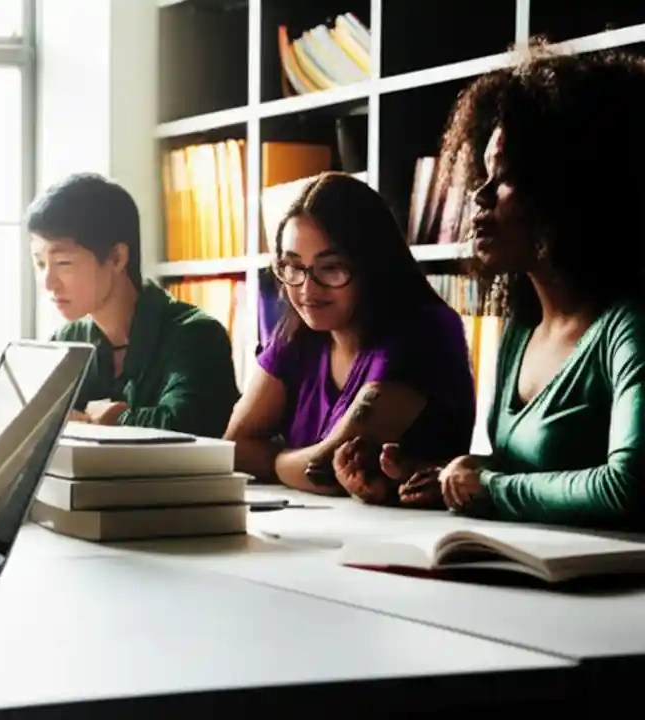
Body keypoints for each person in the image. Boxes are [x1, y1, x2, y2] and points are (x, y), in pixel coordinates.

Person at [397, 47, 645, 527]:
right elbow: (529, 475)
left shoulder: (628, 329)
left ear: (568, 191)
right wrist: (439, 480)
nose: (479, 194)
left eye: (504, 177)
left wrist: (489, 486)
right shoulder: (523, 327)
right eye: (483, 174)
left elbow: (627, 486)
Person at [223, 172, 476, 501]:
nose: (307, 289)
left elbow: (325, 468)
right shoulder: (299, 332)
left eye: (331, 268)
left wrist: (271, 458)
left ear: (371, 265)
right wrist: (288, 465)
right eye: (293, 267)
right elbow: (234, 446)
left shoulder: (424, 331)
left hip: (409, 537)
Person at [28, 172, 239, 437]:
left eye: (63, 263)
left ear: (117, 258)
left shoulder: (196, 336)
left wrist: (114, 420)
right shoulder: (65, 341)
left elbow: (184, 425)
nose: (48, 283)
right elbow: (37, 427)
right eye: (39, 263)